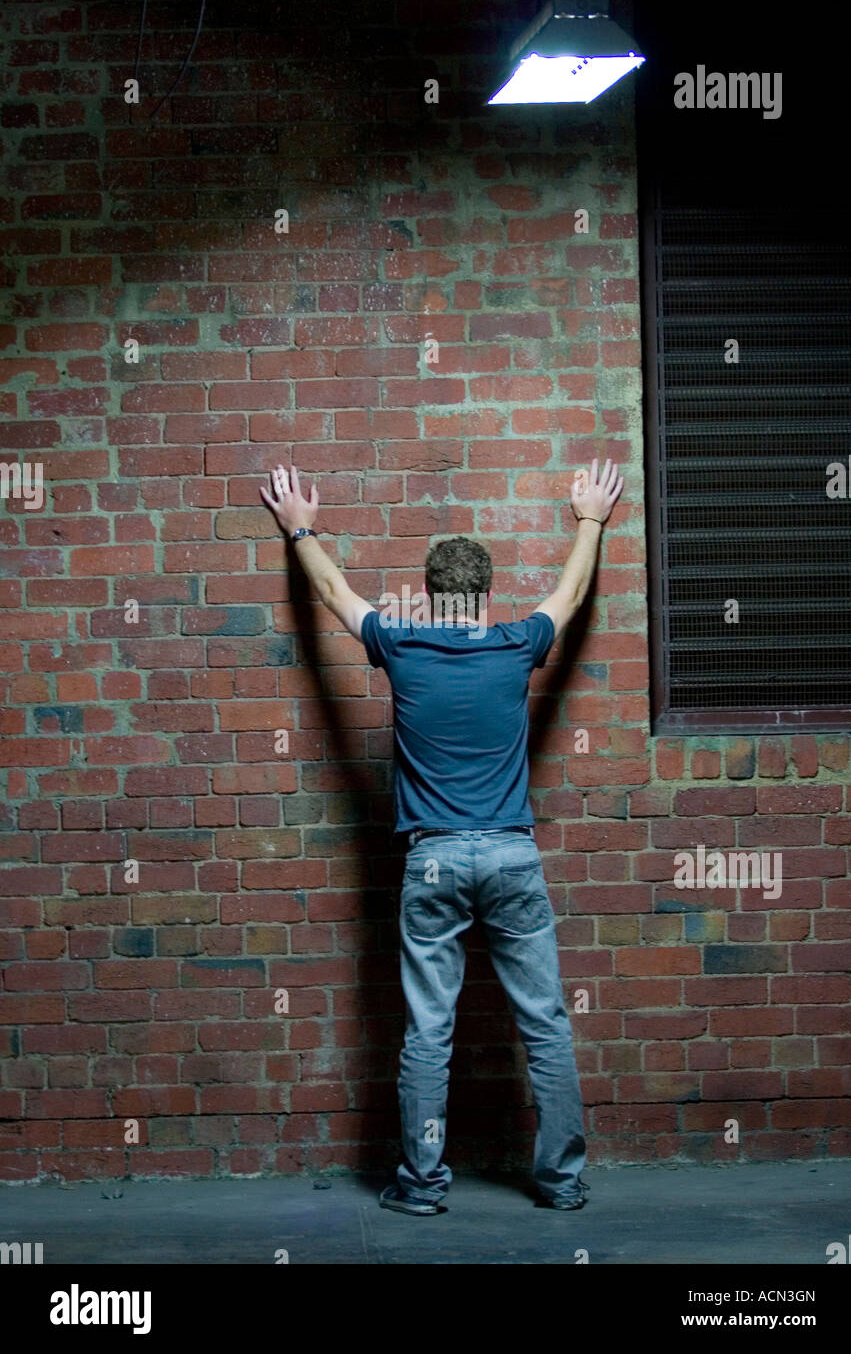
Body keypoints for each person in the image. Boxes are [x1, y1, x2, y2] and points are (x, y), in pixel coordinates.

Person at [261, 458, 624, 1214]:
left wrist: (298, 524)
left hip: (432, 858)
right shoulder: (517, 644)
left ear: (429, 596)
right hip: (512, 853)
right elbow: (572, 593)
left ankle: (423, 1185)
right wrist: (590, 518)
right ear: (486, 597)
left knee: (428, 1030)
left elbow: (332, 592)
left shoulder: (401, 644)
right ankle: (560, 1182)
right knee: (546, 1024)